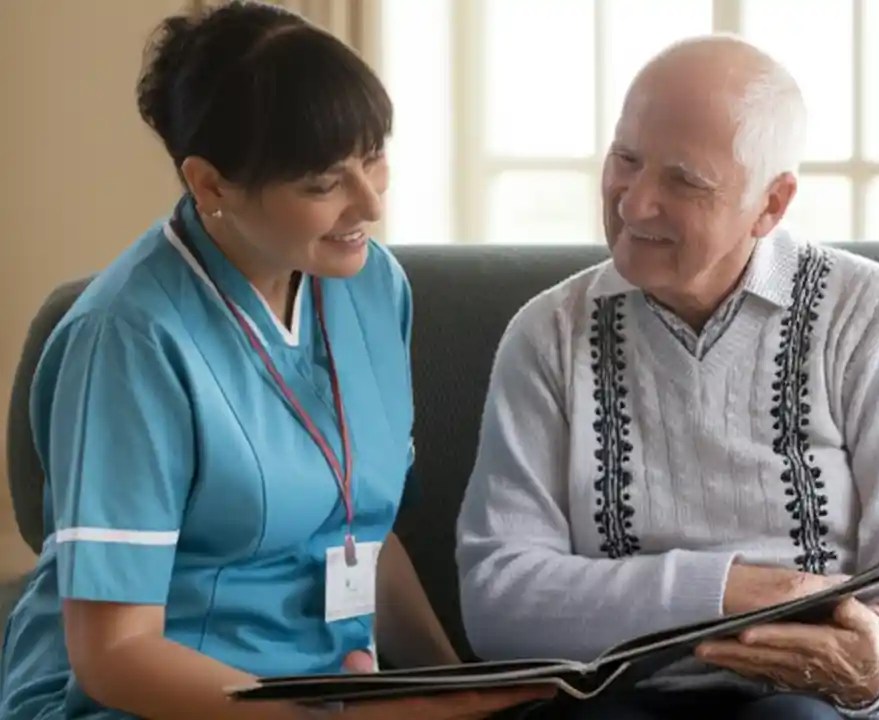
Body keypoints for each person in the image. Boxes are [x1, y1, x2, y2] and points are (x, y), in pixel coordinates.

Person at [0, 3, 550, 719]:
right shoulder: (128, 340)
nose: (369, 203)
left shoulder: (373, 287)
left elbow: (365, 537)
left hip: (330, 689)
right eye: (323, 184)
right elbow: (115, 656)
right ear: (210, 185)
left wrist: (455, 689)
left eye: (374, 156)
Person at [455, 34, 879, 719]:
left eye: (683, 181)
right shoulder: (549, 332)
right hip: (619, 701)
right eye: (625, 160)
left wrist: (878, 661)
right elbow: (498, 597)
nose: (633, 204)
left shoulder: (878, 319)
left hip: (824, 707)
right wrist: (726, 592)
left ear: (771, 203)